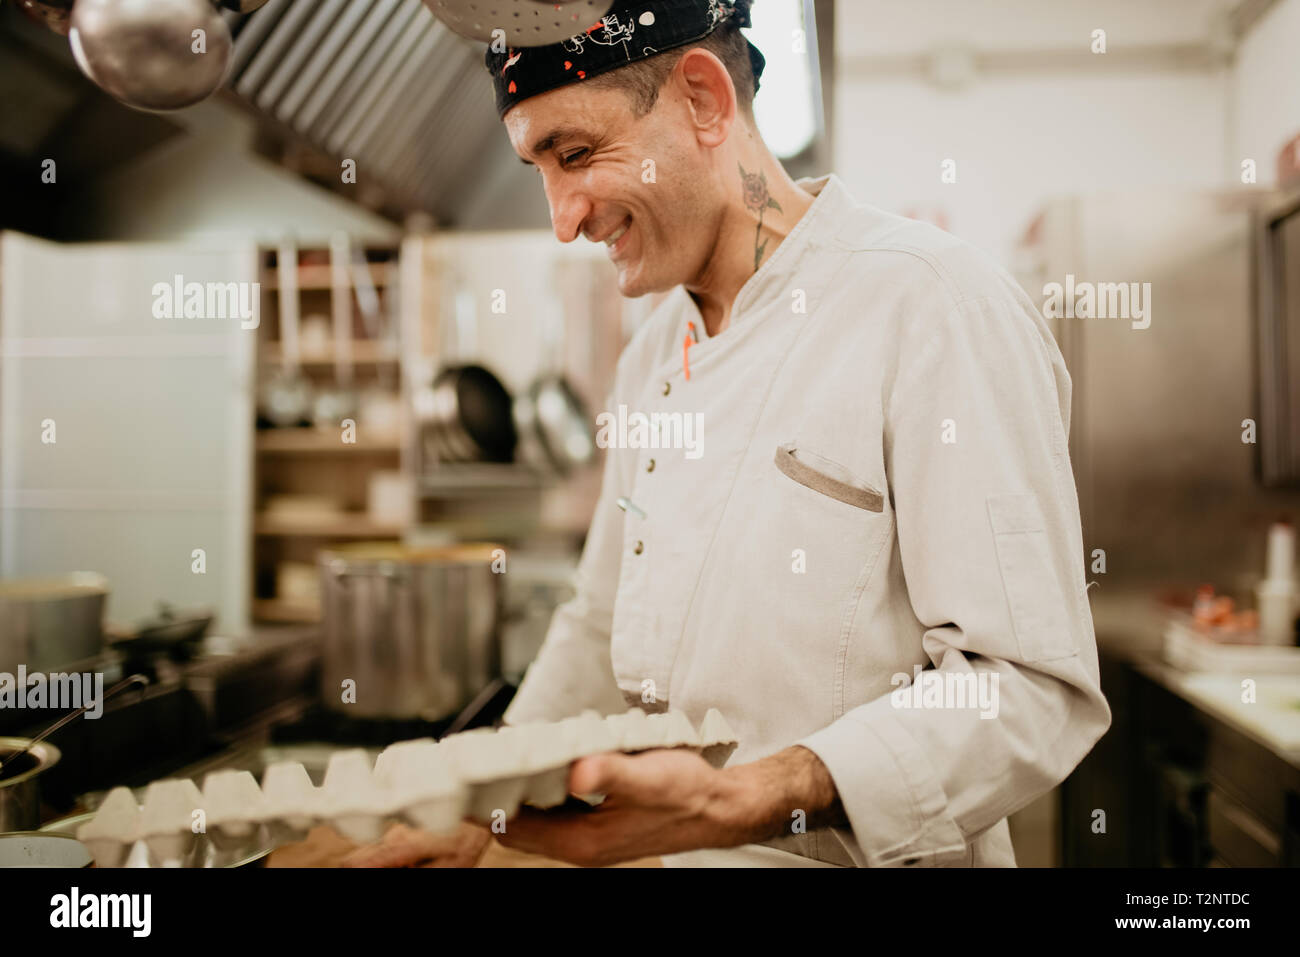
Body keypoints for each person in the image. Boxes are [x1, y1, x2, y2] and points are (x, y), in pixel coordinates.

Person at [349, 0, 1110, 868]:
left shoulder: (931, 303)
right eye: (538, 168)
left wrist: (759, 792)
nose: (562, 218)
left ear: (705, 100)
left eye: (576, 154)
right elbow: (600, 623)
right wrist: (480, 804)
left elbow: (1027, 687)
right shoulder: (652, 358)